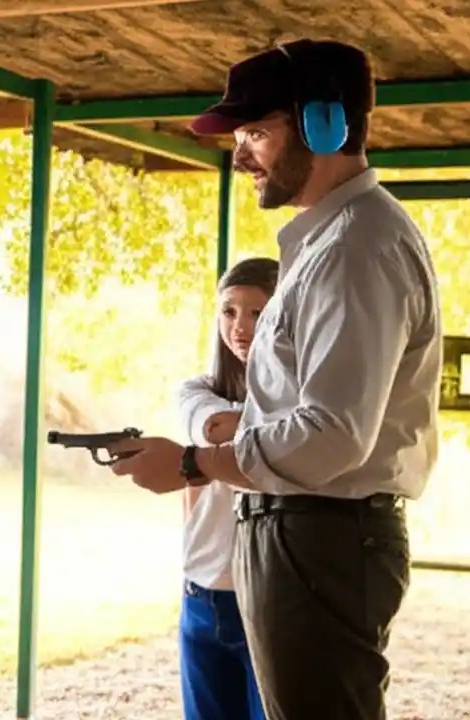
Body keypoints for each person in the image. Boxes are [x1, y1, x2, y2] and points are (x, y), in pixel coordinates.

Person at [107, 39, 442, 720]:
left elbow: (331, 436)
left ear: (326, 126)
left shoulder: (355, 248)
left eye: (256, 132)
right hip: (308, 534)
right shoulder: (330, 241)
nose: (240, 155)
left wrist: (193, 463)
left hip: (321, 537)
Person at [175, 257, 277, 720]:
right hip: (202, 592)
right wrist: (283, 427)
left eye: (257, 313)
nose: (240, 327)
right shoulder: (196, 391)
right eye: (229, 311)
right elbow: (214, 429)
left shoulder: (305, 400)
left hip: (268, 595)